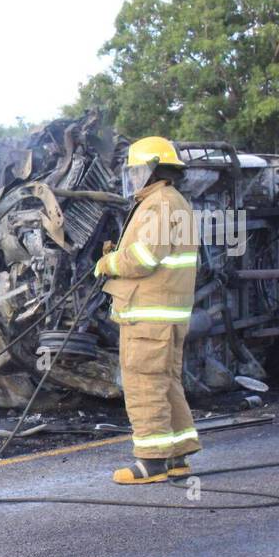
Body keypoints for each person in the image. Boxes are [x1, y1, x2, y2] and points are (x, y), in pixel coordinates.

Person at [93, 136, 201, 484]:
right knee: (166, 384)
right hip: (164, 314)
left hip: (148, 316)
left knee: (144, 385)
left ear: (154, 169)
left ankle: (151, 462)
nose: (133, 177)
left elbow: (144, 258)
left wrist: (109, 262)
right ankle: (177, 457)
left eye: (137, 170)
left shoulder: (160, 204)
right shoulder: (171, 202)